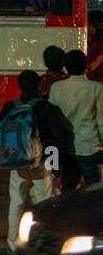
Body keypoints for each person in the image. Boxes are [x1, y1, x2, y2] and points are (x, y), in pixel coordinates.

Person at [3, 70, 57, 255]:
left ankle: (12, 243)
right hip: (40, 163)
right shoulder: (44, 107)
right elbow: (52, 139)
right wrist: (54, 166)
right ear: (38, 85)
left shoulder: (10, 106)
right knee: (44, 203)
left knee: (16, 202)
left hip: (17, 162)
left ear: (19, 85)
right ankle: (42, 243)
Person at [48, 49, 103, 188]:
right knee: (94, 190)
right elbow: (101, 120)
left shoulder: (56, 88)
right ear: (85, 66)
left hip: (66, 147)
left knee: (68, 190)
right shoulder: (96, 88)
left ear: (66, 67)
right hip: (89, 146)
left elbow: (53, 120)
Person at [88, 11, 103, 83]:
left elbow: (97, 61)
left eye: (89, 25)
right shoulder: (92, 39)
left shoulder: (99, 41)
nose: (86, 27)